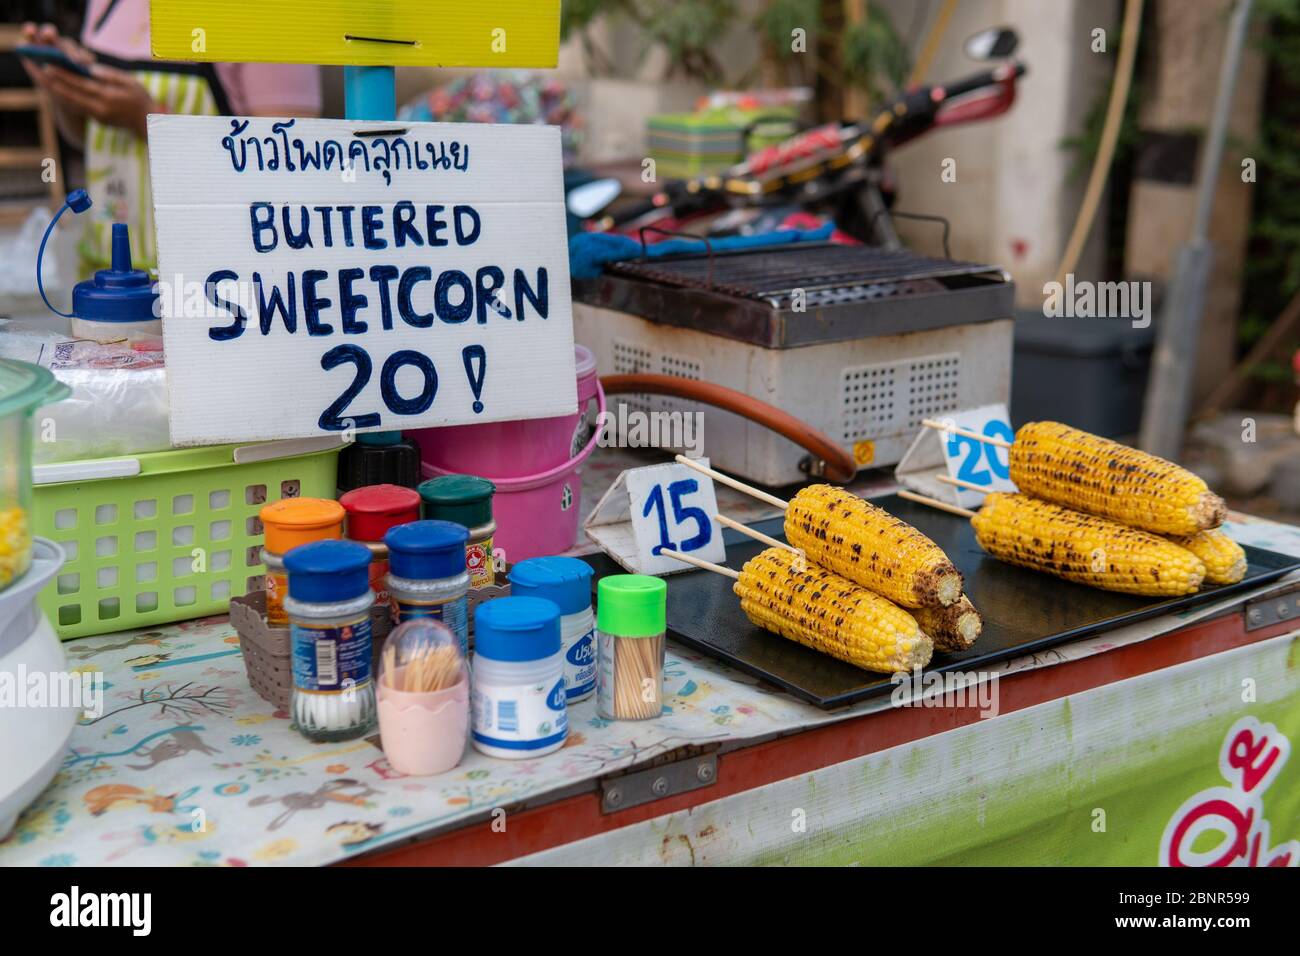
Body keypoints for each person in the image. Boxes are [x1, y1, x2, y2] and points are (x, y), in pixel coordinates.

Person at [21, 0, 322, 273]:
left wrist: (146, 120)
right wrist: (67, 91)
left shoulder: (271, 11)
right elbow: (88, 140)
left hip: (211, 284)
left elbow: (288, 167)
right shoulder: (105, 4)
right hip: (107, 277)